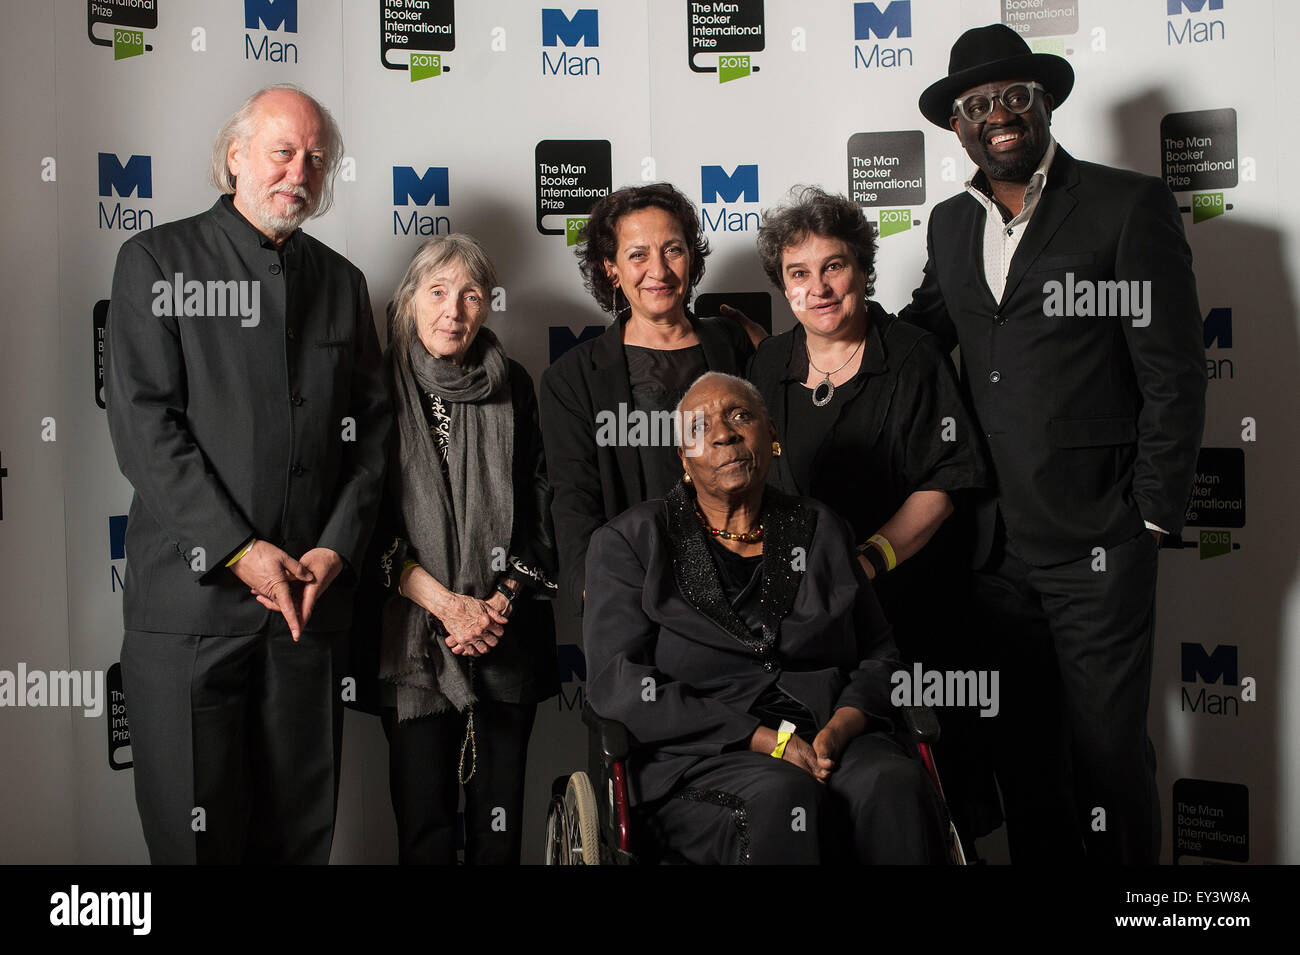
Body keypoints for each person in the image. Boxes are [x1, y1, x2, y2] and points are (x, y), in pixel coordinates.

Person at [900, 24, 1206, 864]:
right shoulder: (949, 225)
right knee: (1026, 764)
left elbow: (1174, 373)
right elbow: (922, 337)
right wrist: (798, 346)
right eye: (977, 105)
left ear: (1041, 108)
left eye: (1013, 98)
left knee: (1107, 761)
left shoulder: (1125, 205)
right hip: (993, 551)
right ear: (956, 126)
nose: (997, 115)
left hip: (1098, 543)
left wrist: (1146, 518)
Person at [104, 84, 390, 864]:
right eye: (283, 151)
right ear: (235, 157)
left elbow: (371, 441)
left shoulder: (342, 282)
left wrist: (334, 550)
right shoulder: (156, 260)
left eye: (317, 159)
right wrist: (241, 550)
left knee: (299, 842)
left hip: (306, 612)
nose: (301, 171)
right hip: (191, 614)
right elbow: (145, 429)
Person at [583, 372, 948, 864]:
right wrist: (763, 740)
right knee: (781, 794)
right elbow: (618, 684)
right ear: (683, 457)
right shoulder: (632, 542)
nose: (723, 434)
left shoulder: (820, 528)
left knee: (894, 782)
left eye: (740, 416)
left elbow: (879, 653)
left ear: (770, 435)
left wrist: (843, 723)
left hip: (829, 737)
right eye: (699, 427)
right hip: (705, 755)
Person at [747, 185, 996, 846]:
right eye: (799, 273)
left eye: (834, 266)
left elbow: (945, 481)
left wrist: (868, 558)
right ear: (783, 285)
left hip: (906, 610)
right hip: (806, 626)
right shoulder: (768, 364)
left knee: (915, 792)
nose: (819, 286)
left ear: (862, 269)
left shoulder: (913, 357)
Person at [363, 235, 559, 865]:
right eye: (438, 291)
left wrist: (498, 601)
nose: (454, 309)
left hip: (504, 639)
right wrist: (448, 607)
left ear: (487, 305)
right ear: (410, 301)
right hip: (414, 646)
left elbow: (540, 502)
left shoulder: (515, 386)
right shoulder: (375, 392)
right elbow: (367, 521)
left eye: (471, 294)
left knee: (498, 835)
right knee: (425, 831)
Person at [540, 183, 755, 649]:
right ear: (611, 270)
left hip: (743, 592)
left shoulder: (736, 346)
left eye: (672, 250)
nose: (658, 270)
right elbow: (574, 499)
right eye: (637, 255)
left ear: (691, 259)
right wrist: (599, 596)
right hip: (636, 599)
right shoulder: (572, 378)